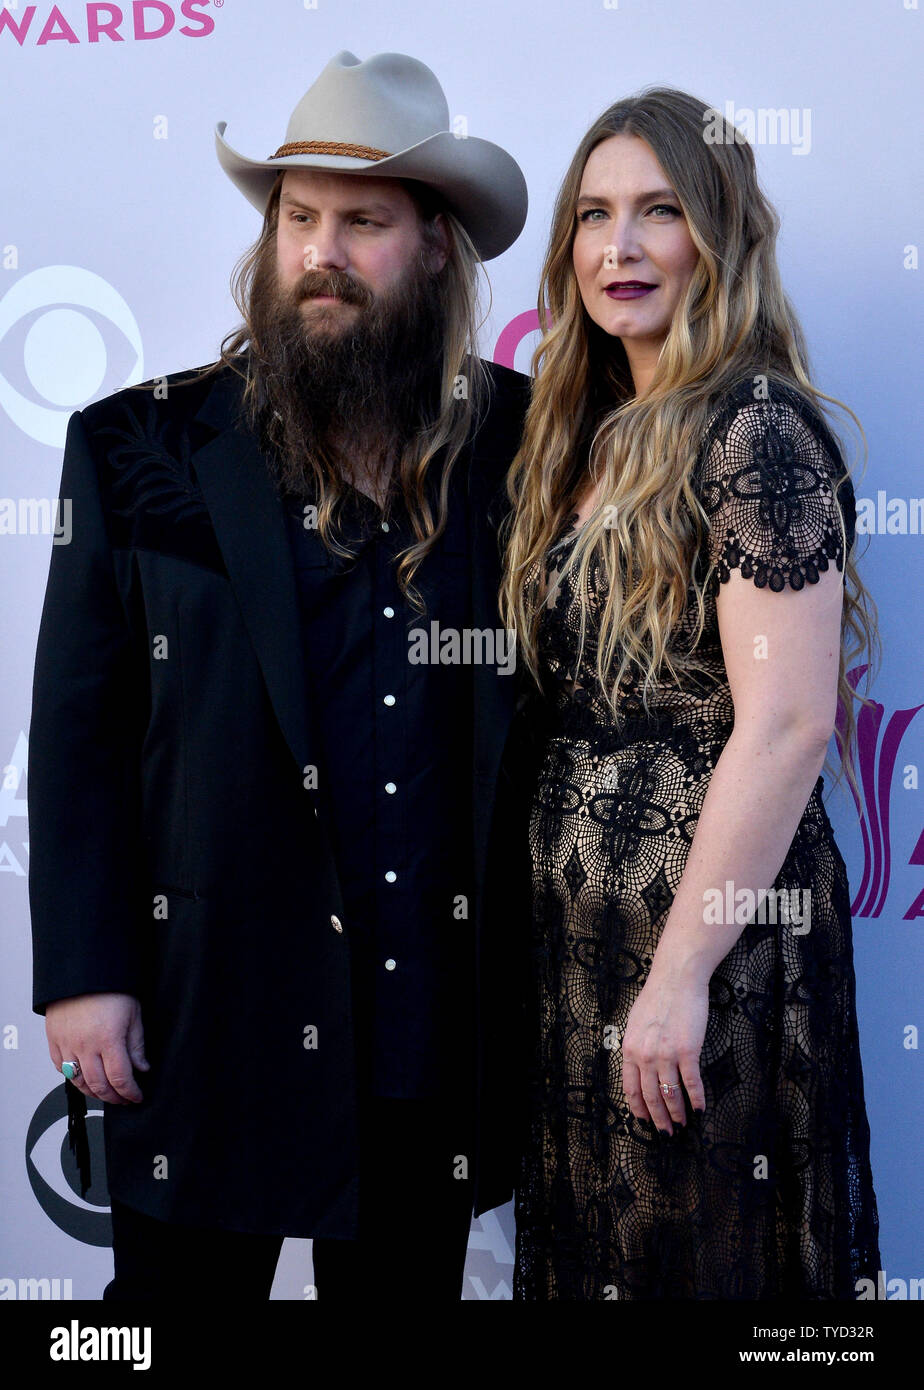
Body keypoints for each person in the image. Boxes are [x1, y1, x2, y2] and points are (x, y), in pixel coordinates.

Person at [28, 49, 531, 1302]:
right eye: (297, 217)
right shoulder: (136, 445)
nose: (321, 251)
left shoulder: (528, 446)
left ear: (436, 249)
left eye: (362, 223)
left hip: (428, 1018)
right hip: (210, 1008)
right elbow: (78, 730)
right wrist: (86, 972)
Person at [500, 86, 882, 1300]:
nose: (619, 247)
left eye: (658, 211)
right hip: (583, 950)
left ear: (716, 233)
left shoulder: (753, 427)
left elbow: (786, 723)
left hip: (709, 954)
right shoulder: (590, 432)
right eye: (594, 215)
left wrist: (679, 975)